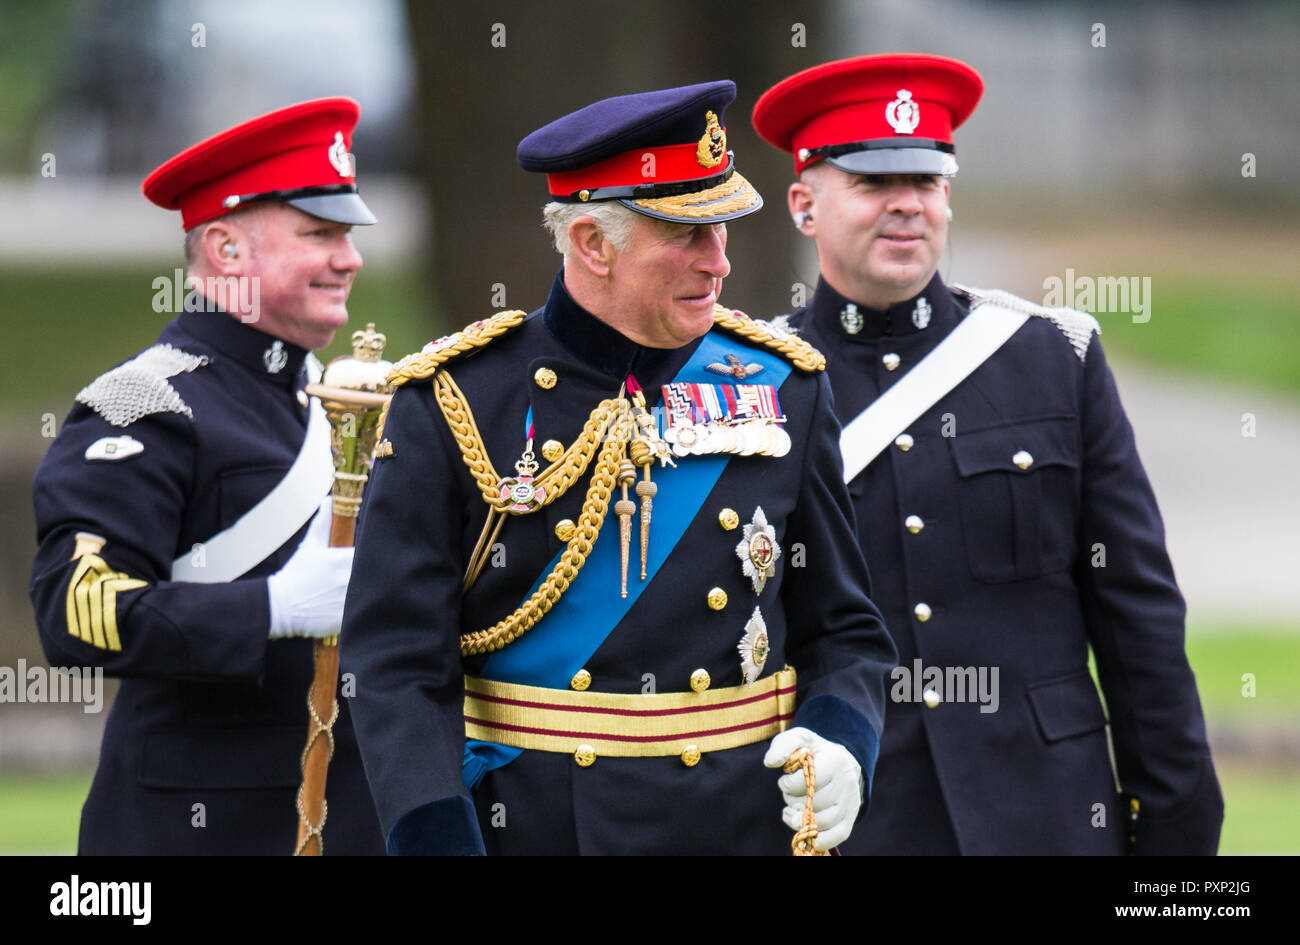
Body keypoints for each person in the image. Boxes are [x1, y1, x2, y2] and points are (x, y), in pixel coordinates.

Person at [341, 81, 896, 855]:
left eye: (725, 228)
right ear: (592, 244)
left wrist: (842, 736)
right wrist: (435, 837)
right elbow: (395, 661)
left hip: (741, 826)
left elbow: (847, 630)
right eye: (687, 234)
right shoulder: (459, 399)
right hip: (541, 825)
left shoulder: (784, 385)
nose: (720, 261)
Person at [752, 54, 1223, 854]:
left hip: (1048, 816)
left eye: (928, 182)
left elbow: (1137, 616)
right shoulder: (754, 384)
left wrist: (1178, 838)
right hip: (849, 826)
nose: (907, 206)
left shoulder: (1053, 359)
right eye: (873, 184)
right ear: (804, 204)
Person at [29, 98, 385, 855]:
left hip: (350, 815)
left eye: (347, 236)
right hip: (199, 827)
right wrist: (272, 608)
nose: (349, 258)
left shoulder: (349, 399)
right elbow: (76, 608)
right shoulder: (140, 402)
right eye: (319, 234)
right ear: (225, 250)